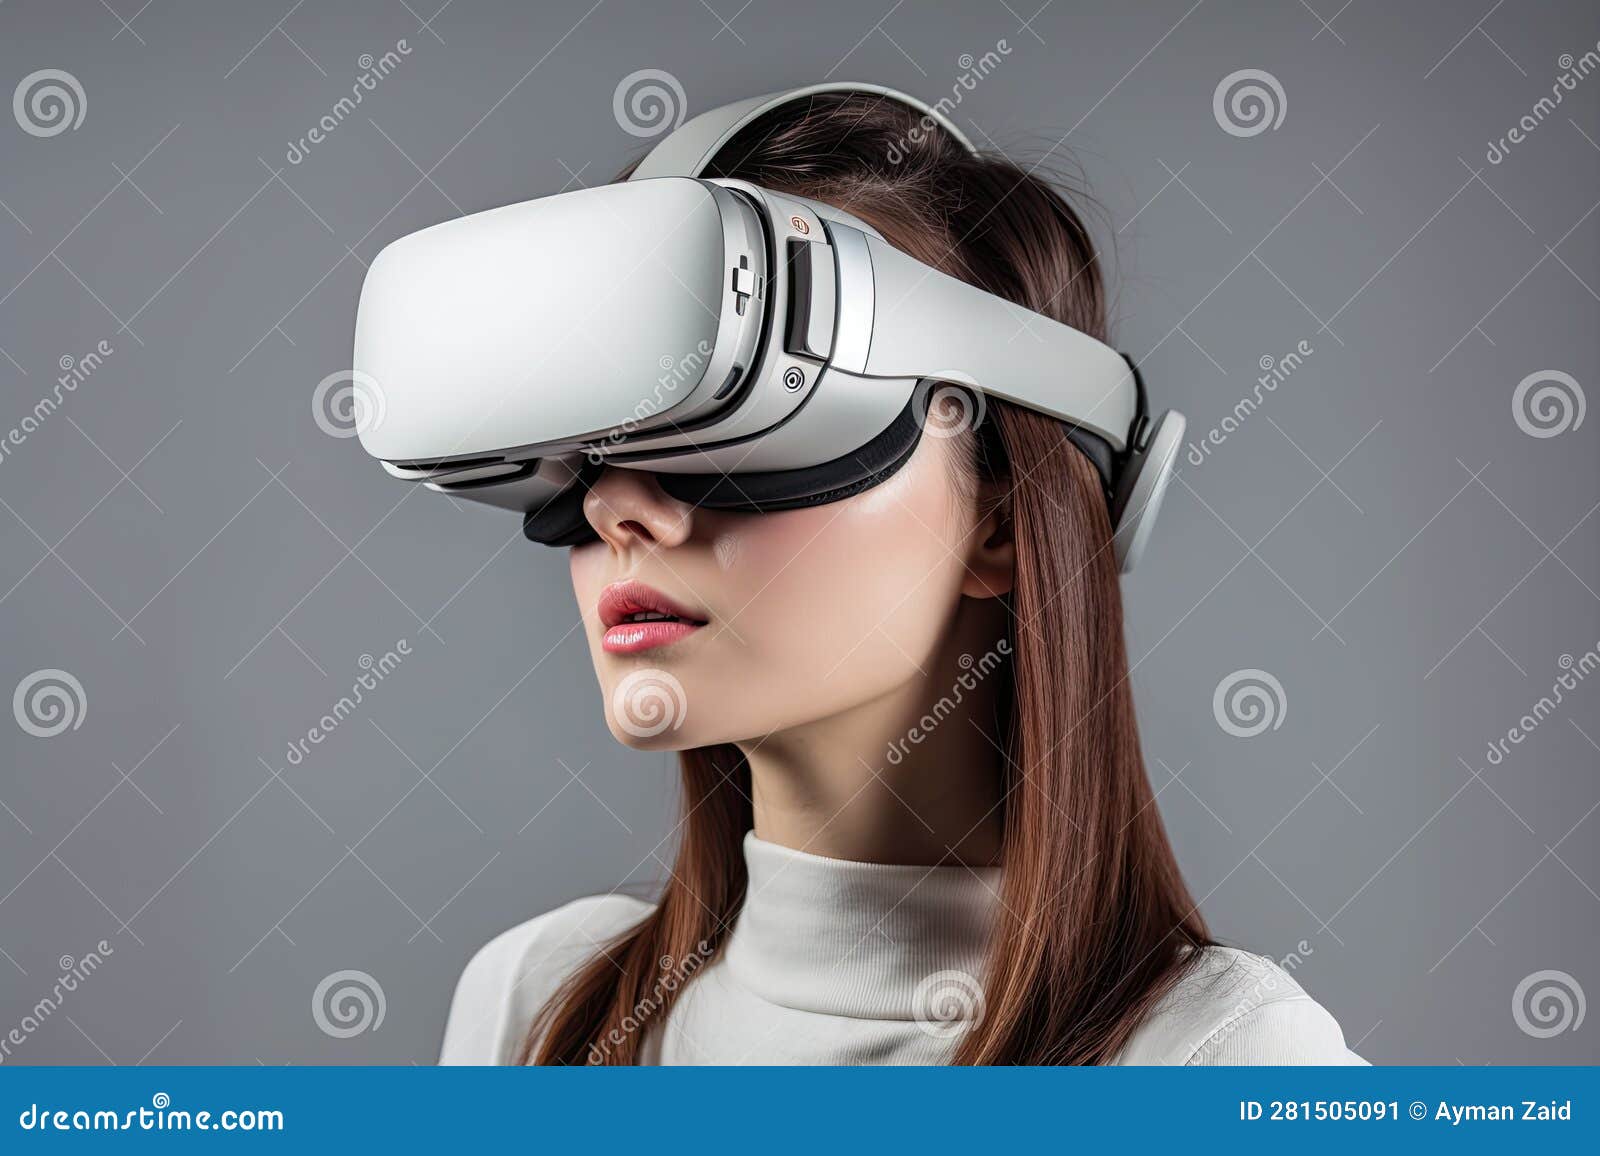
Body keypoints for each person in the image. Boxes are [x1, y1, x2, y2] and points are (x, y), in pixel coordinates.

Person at [439, 92, 1362, 1066]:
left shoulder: (1217, 1059)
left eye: (761, 415)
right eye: (594, 440)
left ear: (998, 520)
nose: (615, 506)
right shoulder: (538, 1002)